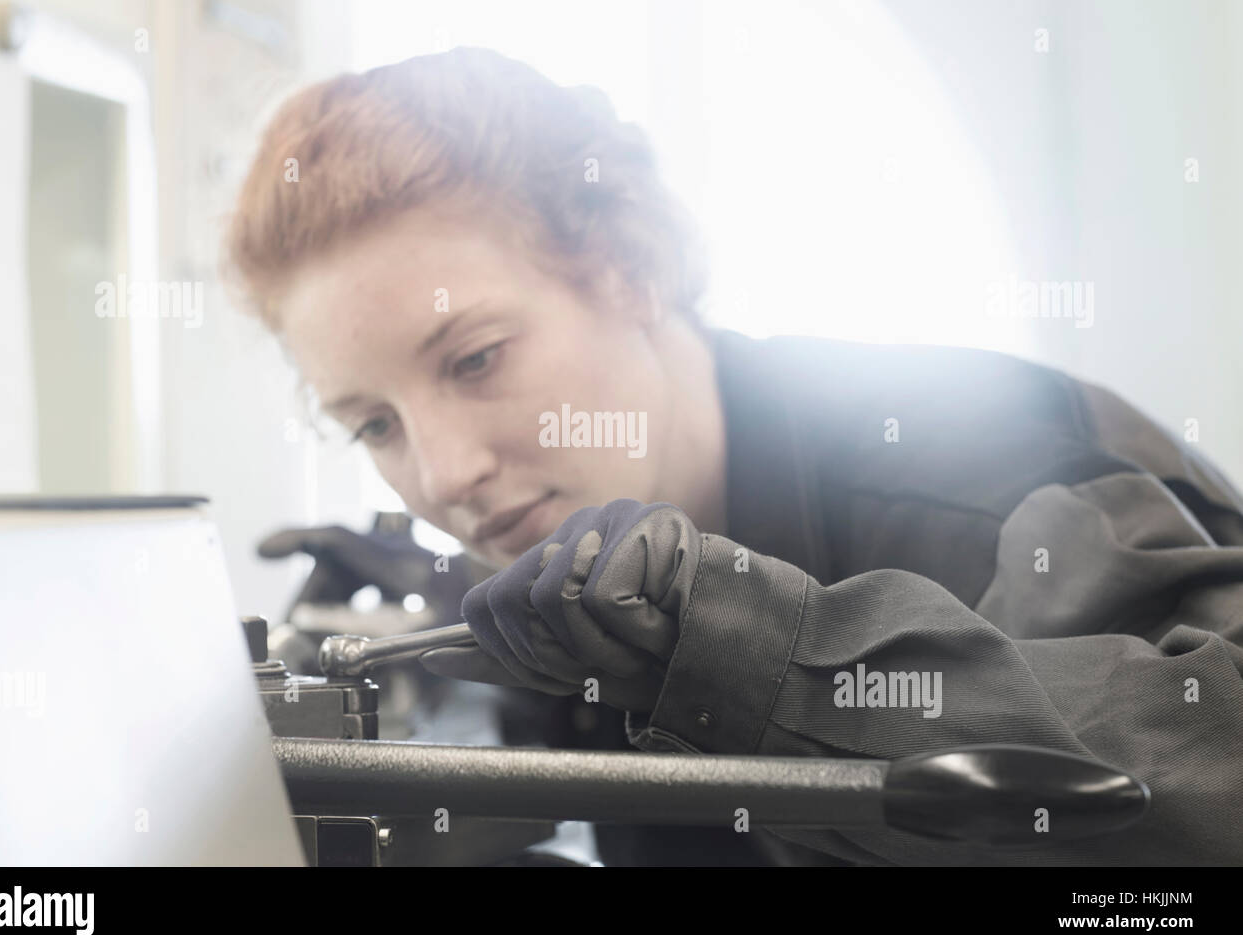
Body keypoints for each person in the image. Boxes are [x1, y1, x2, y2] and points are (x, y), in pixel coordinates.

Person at [225, 47, 1243, 865]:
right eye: (373, 424)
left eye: (477, 357)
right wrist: (457, 633)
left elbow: (1213, 772)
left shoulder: (983, 462)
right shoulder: (588, 548)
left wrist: (746, 659)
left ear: (628, 267)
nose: (441, 475)